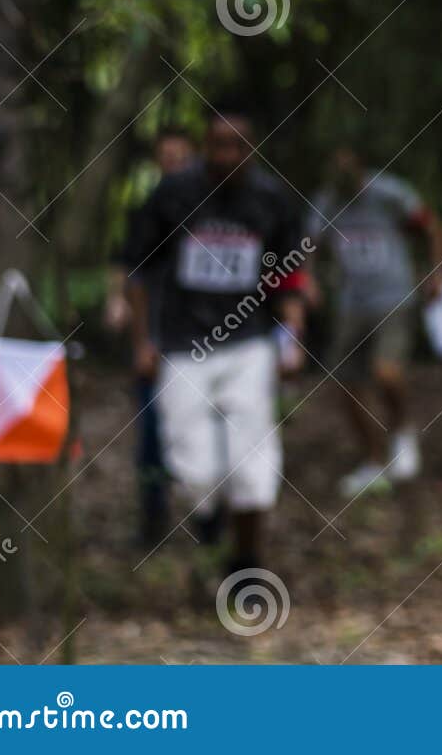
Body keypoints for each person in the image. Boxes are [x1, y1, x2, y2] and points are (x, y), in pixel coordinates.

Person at [122, 105, 310, 578]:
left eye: (239, 145)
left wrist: (292, 335)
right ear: (205, 148)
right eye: (220, 144)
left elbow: (288, 276)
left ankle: (246, 564)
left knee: (253, 465)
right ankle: (209, 513)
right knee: (193, 469)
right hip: (185, 346)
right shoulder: (173, 194)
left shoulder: (271, 200)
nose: (229, 155)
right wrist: (142, 341)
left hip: (249, 344)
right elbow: (138, 272)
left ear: (251, 149)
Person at [308, 146, 442, 498]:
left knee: (387, 371)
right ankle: (373, 459)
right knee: (345, 382)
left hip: (394, 297)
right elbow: (308, 246)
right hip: (351, 303)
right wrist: (308, 281)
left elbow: (432, 228)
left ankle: (402, 430)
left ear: (358, 162)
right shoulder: (325, 203)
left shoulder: (389, 194)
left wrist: (437, 274)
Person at [104, 126, 196, 547]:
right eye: (167, 157)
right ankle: (153, 522)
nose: (173, 163)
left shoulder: (212, 210)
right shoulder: (146, 212)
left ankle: (210, 525)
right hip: (156, 339)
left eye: (181, 156)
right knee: (151, 437)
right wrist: (117, 301)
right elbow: (124, 265)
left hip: (205, 344)